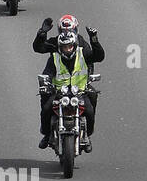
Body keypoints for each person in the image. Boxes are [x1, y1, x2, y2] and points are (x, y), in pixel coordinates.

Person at [34, 14, 104, 151]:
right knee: (46, 106)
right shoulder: (55, 49)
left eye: (70, 46)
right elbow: (39, 48)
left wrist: (94, 39)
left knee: (91, 102)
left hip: (79, 88)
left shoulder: (82, 47)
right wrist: (42, 33)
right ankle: (47, 134)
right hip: (59, 90)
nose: (67, 48)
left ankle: (86, 136)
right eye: (64, 46)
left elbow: (97, 57)